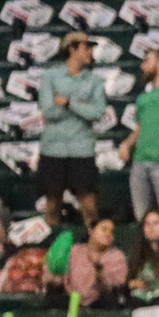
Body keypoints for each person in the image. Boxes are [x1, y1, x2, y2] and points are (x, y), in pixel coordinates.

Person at [38, 31, 104, 229]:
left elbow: (97, 113)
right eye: (86, 47)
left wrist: (68, 103)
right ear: (72, 49)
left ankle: (93, 242)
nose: (90, 52)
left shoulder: (94, 81)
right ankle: (50, 246)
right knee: (52, 203)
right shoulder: (50, 76)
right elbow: (48, 111)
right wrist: (82, 107)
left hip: (82, 148)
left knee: (88, 203)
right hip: (53, 149)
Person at [116, 49, 159, 225]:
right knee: (142, 218)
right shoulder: (143, 98)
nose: (142, 65)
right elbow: (140, 128)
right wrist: (126, 144)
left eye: (147, 60)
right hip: (139, 162)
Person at [64, 218, 130, 307]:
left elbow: (116, 285)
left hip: (101, 301)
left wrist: (100, 271)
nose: (108, 234)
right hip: (71, 299)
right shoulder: (74, 251)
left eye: (111, 232)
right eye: (104, 229)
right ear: (91, 231)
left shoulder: (116, 256)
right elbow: (62, 277)